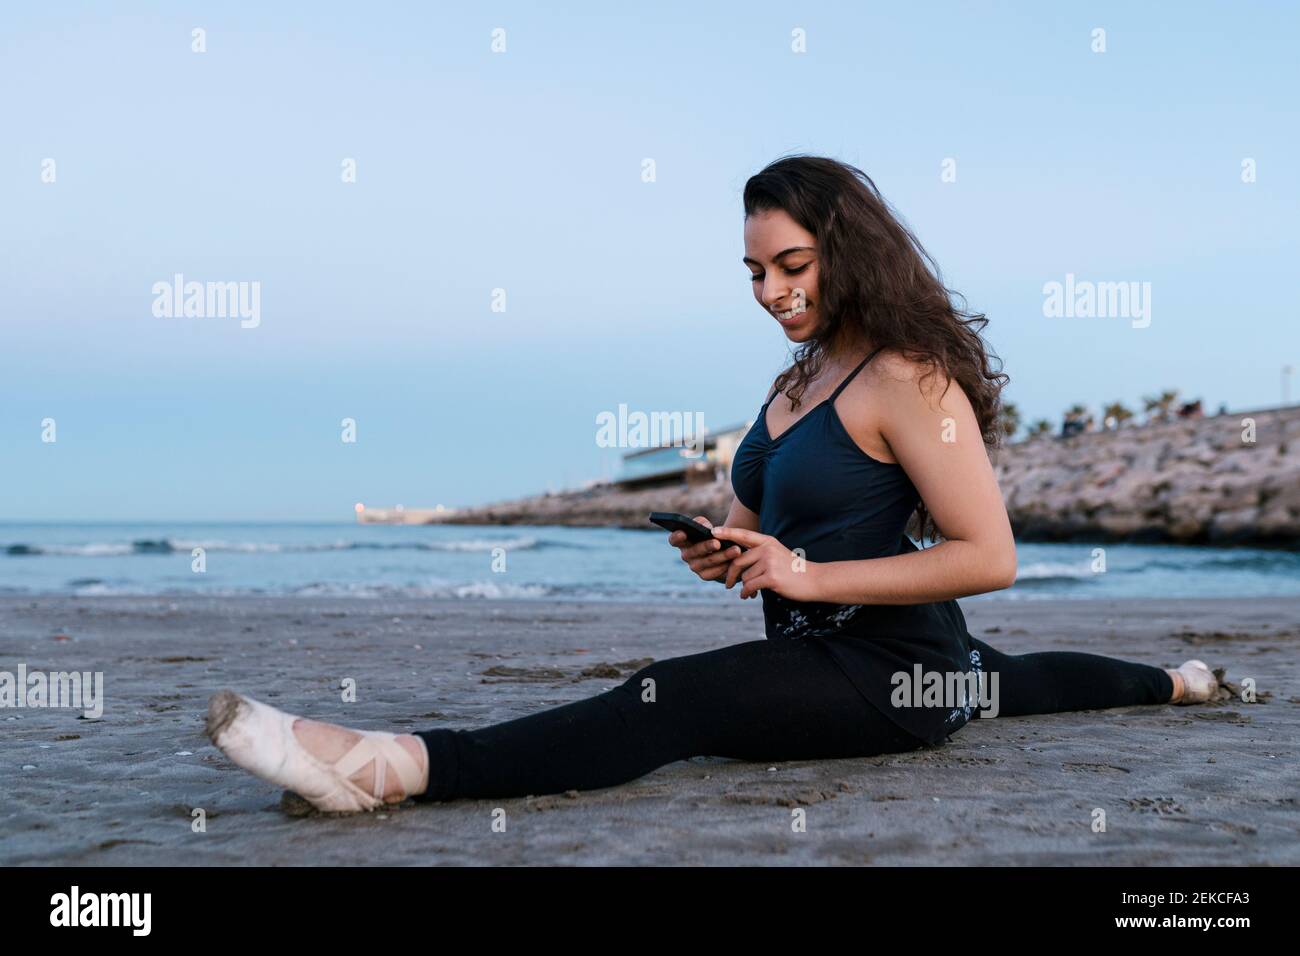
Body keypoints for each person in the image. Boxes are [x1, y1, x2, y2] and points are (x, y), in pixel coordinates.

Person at [205, 155, 1221, 813]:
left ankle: (394, 766)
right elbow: (755, 533)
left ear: (847, 253)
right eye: (753, 272)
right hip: (848, 653)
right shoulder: (795, 380)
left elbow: (987, 555)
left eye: (791, 265)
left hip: (881, 669)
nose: (772, 292)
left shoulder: (909, 375)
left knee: (673, 698)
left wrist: (803, 573)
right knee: (1017, 681)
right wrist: (720, 546)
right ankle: (1177, 680)